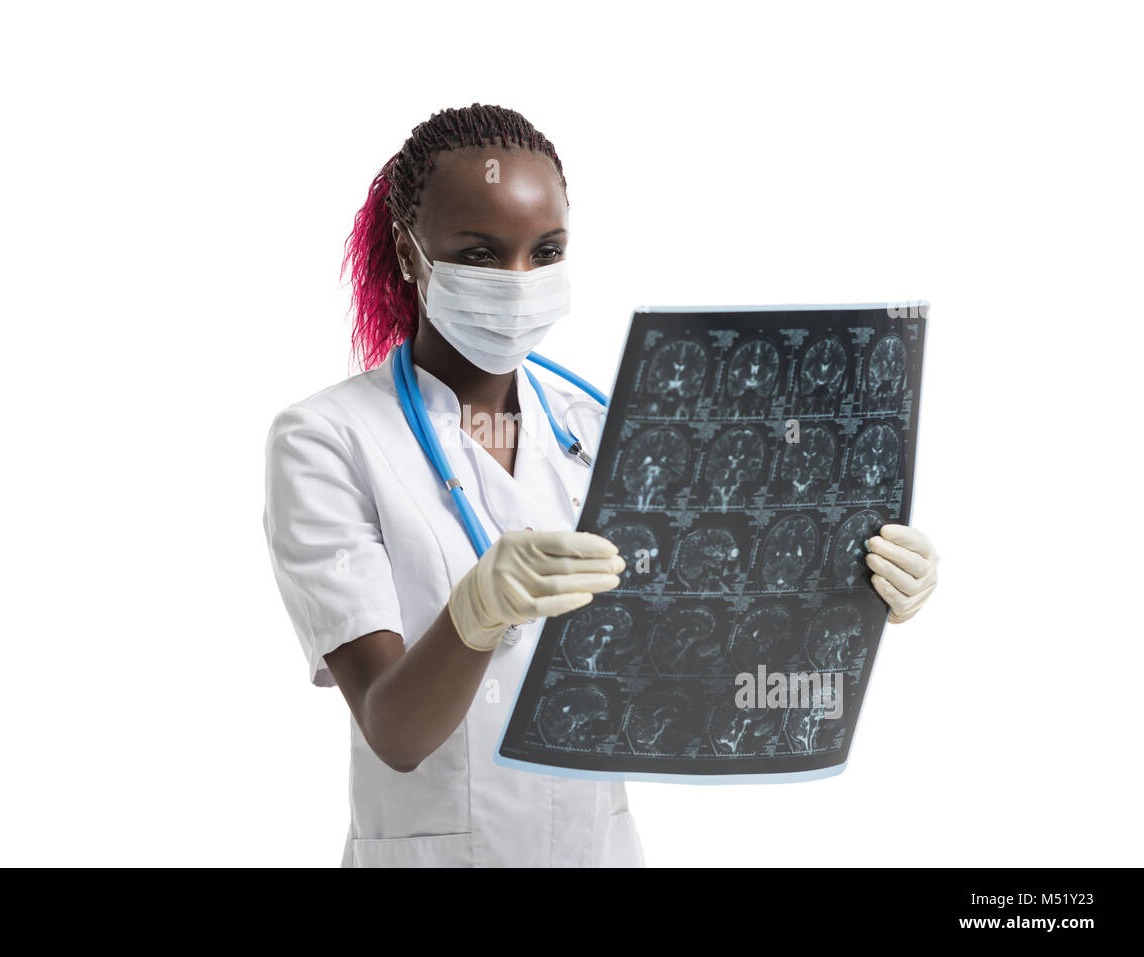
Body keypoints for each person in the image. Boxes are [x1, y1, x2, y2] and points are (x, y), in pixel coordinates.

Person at [262, 104, 940, 868]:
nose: (519, 283)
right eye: (481, 255)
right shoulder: (327, 440)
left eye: (545, 252)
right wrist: (475, 612)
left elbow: (707, 655)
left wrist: (849, 587)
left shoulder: (610, 426)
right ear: (409, 250)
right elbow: (395, 731)